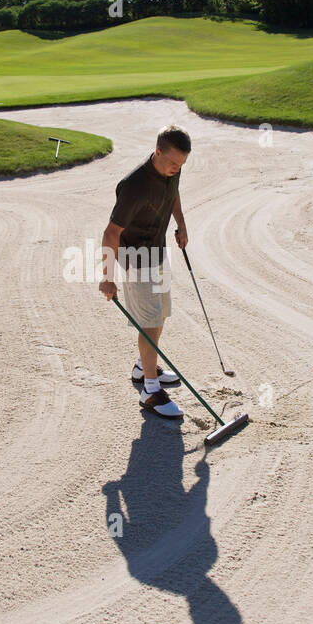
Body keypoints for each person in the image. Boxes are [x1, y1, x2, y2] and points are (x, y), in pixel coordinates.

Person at [99, 125, 190, 419]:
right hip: (136, 258)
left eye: (181, 165)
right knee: (149, 325)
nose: (176, 170)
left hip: (158, 252)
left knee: (160, 315)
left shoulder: (171, 171)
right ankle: (150, 390)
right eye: (173, 163)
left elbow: (173, 194)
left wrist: (181, 224)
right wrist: (108, 276)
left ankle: (143, 367)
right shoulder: (135, 185)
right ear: (157, 151)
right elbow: (111, 232)